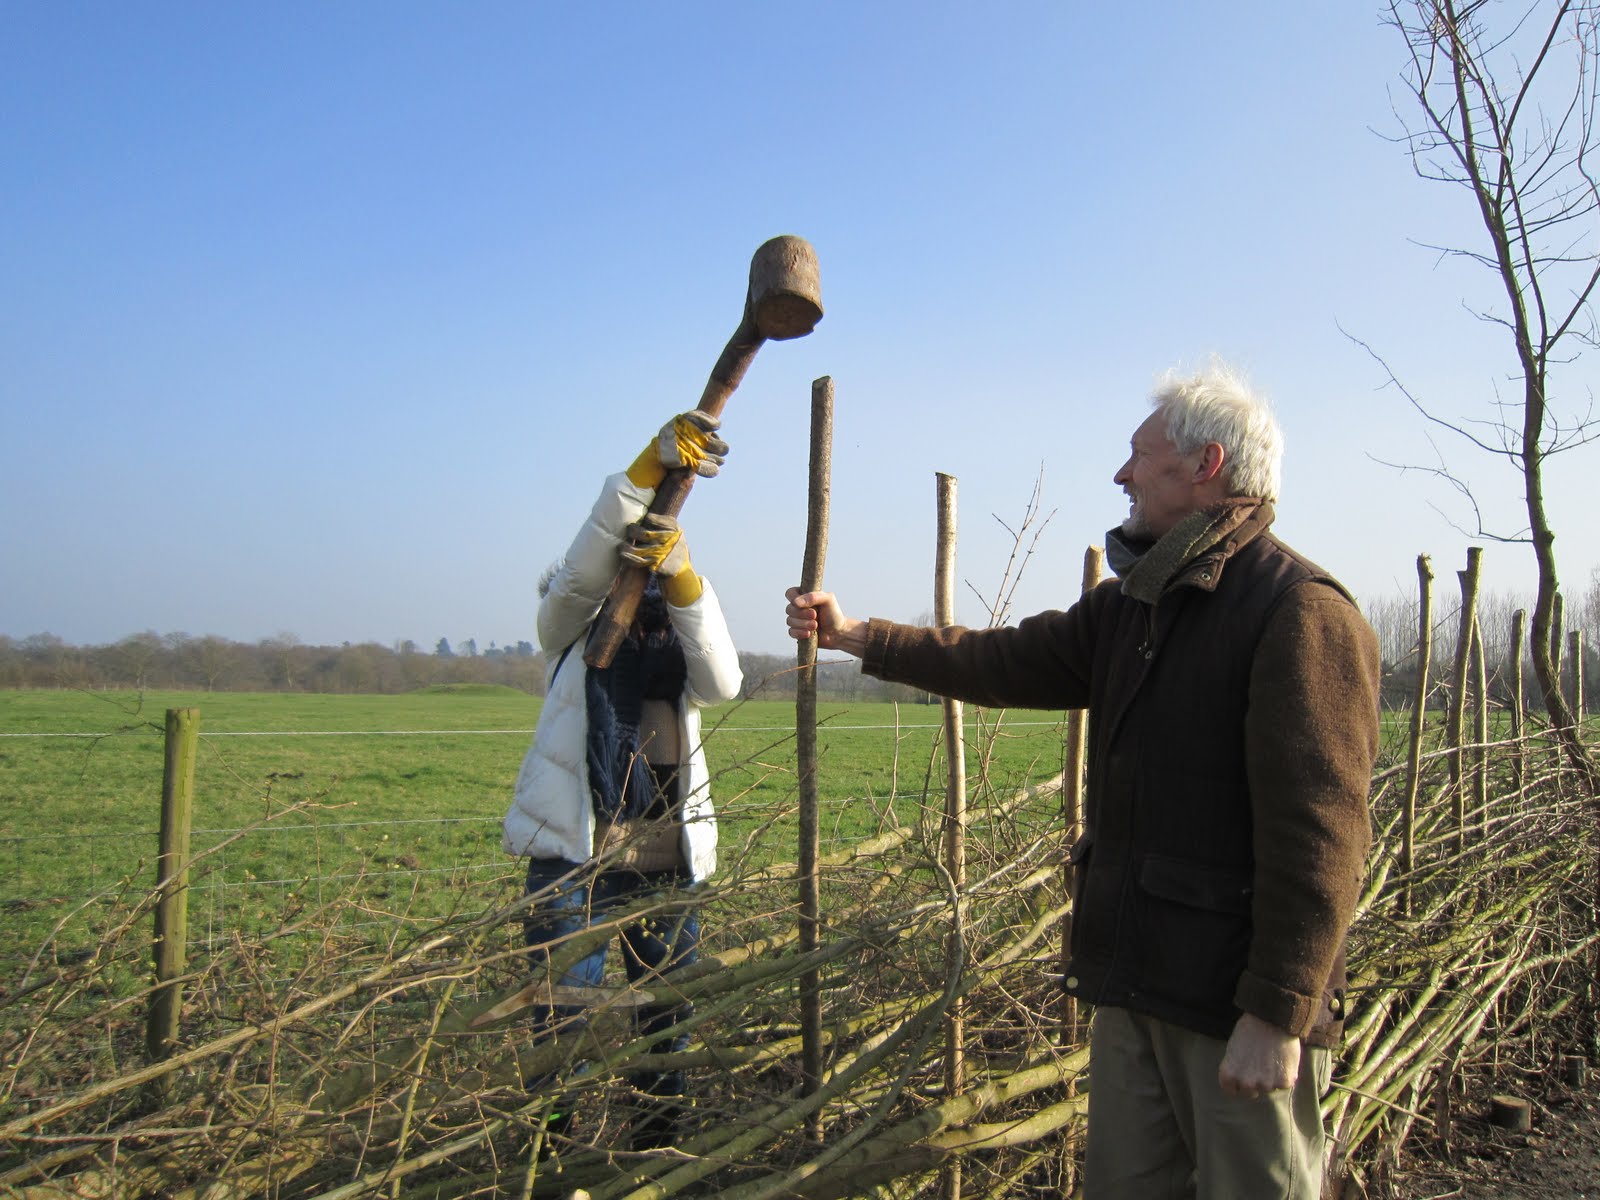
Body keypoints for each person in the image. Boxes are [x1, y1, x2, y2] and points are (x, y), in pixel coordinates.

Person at [785, 361, 1381, 1198]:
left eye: (1139, 455)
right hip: (1137, 981)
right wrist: (861, 638)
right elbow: (1002, 659)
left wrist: (1278, 1011)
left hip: (1233, 1007)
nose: (1121, 474)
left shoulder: (1300, 612)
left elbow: (1322, 834)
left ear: (1206, 465)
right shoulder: (1135, 603)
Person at [504, 410, 743, 1153]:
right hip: (574, 861)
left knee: (665, 1022)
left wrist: (683, 579)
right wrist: (641, 475)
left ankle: (655, 1148)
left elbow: (725, 679)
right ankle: (549, 1150)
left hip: (667, 861)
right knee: (561, 1019)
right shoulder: (571, 630)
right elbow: (578, 575)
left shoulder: (678, 641)